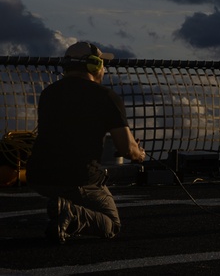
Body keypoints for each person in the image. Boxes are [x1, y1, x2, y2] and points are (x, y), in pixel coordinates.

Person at [27, 42, 146, 244]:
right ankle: (72, 213)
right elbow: (127, 149)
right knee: (111, 224)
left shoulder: (48, 93)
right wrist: (139, 154)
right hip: (78, 178)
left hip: (38, 177)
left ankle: (65, 209)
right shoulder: (106, 96)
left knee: (69, 190)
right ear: (94, 65)